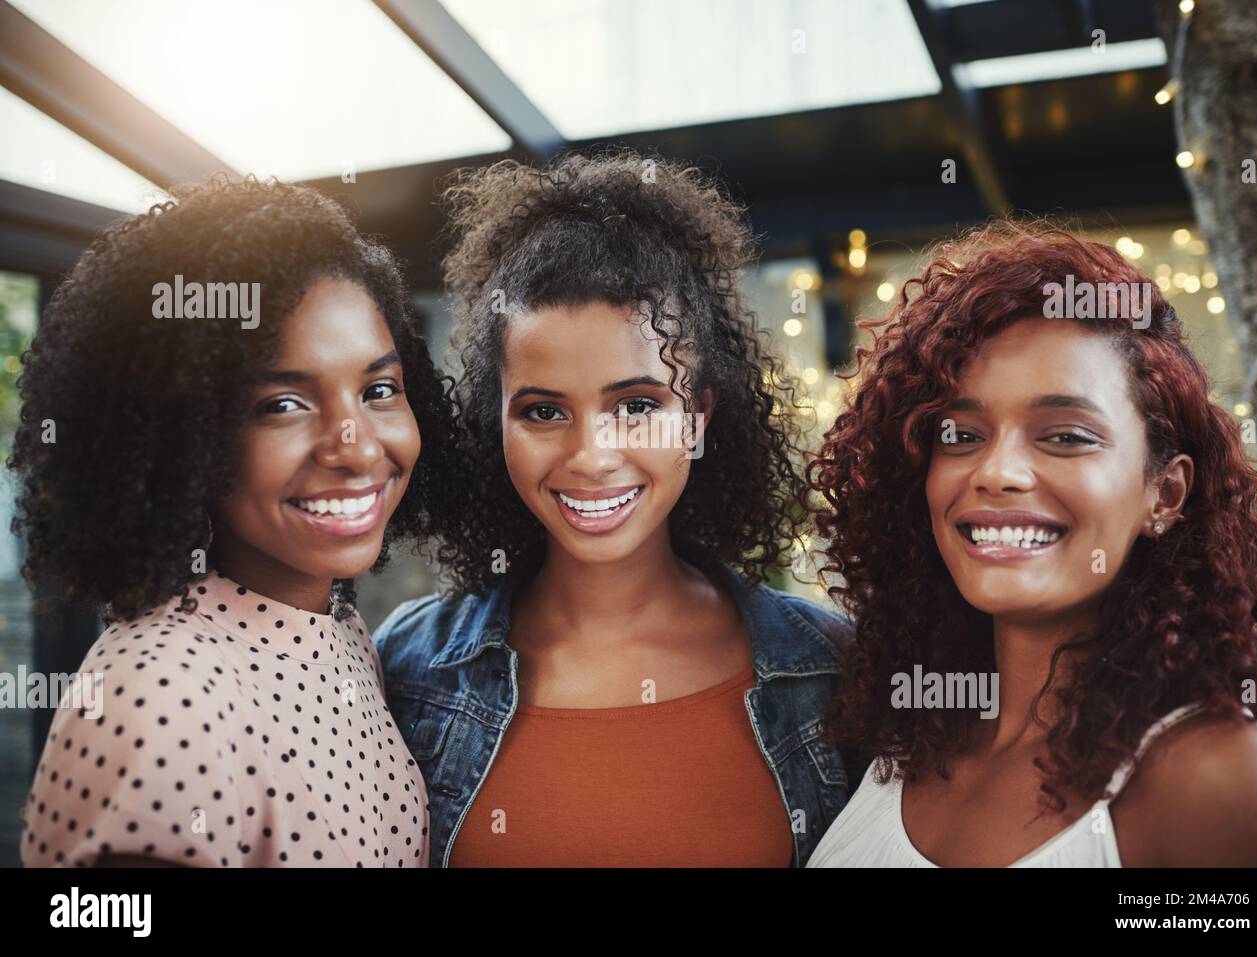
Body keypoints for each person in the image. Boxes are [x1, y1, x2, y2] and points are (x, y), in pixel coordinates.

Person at [375, 152, 849, 867]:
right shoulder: (409, 665)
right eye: (542, 410)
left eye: (636, 406)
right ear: (493, 422)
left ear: (699, 415)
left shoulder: (827, 667)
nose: (593, 454)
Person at [806, 220, 1257, 867]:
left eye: (1065, 435)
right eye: (960, 435)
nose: (997, 471)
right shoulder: (903, 738)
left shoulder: (1217, 783)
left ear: (1166, 493)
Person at [12, 177, 459, 867]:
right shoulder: (162, 691)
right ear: (181, 435)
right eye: (283, 403)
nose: (360, 445)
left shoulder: (338, 631)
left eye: (378, 390)